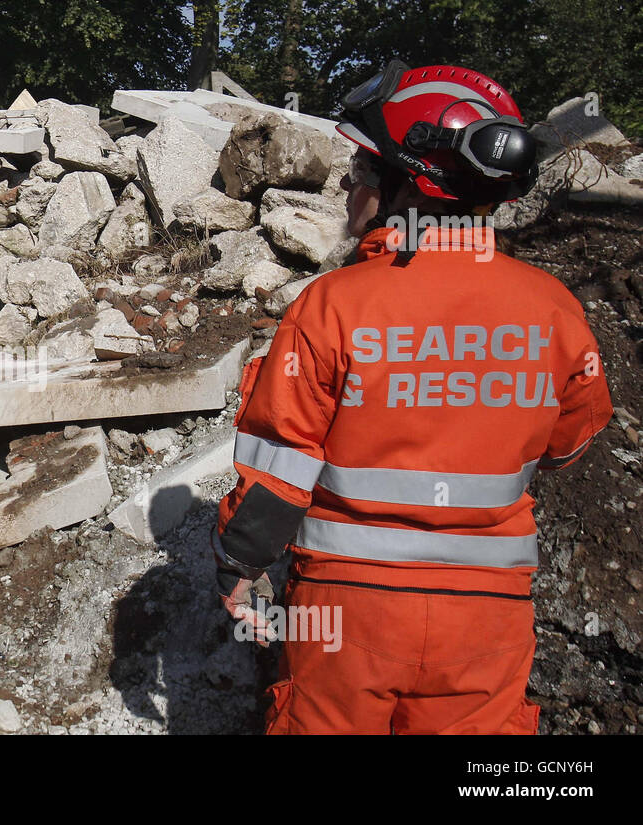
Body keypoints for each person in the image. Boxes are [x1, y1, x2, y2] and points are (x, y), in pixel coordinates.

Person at [213, 62, 614, 733]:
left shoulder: (334, 306)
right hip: (487, 619)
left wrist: (240, 564)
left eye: (365, 168)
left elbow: (278, 473)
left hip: (345, 614)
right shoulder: (554, 312)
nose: (347, 183)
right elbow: (569, 443)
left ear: (407, 185)